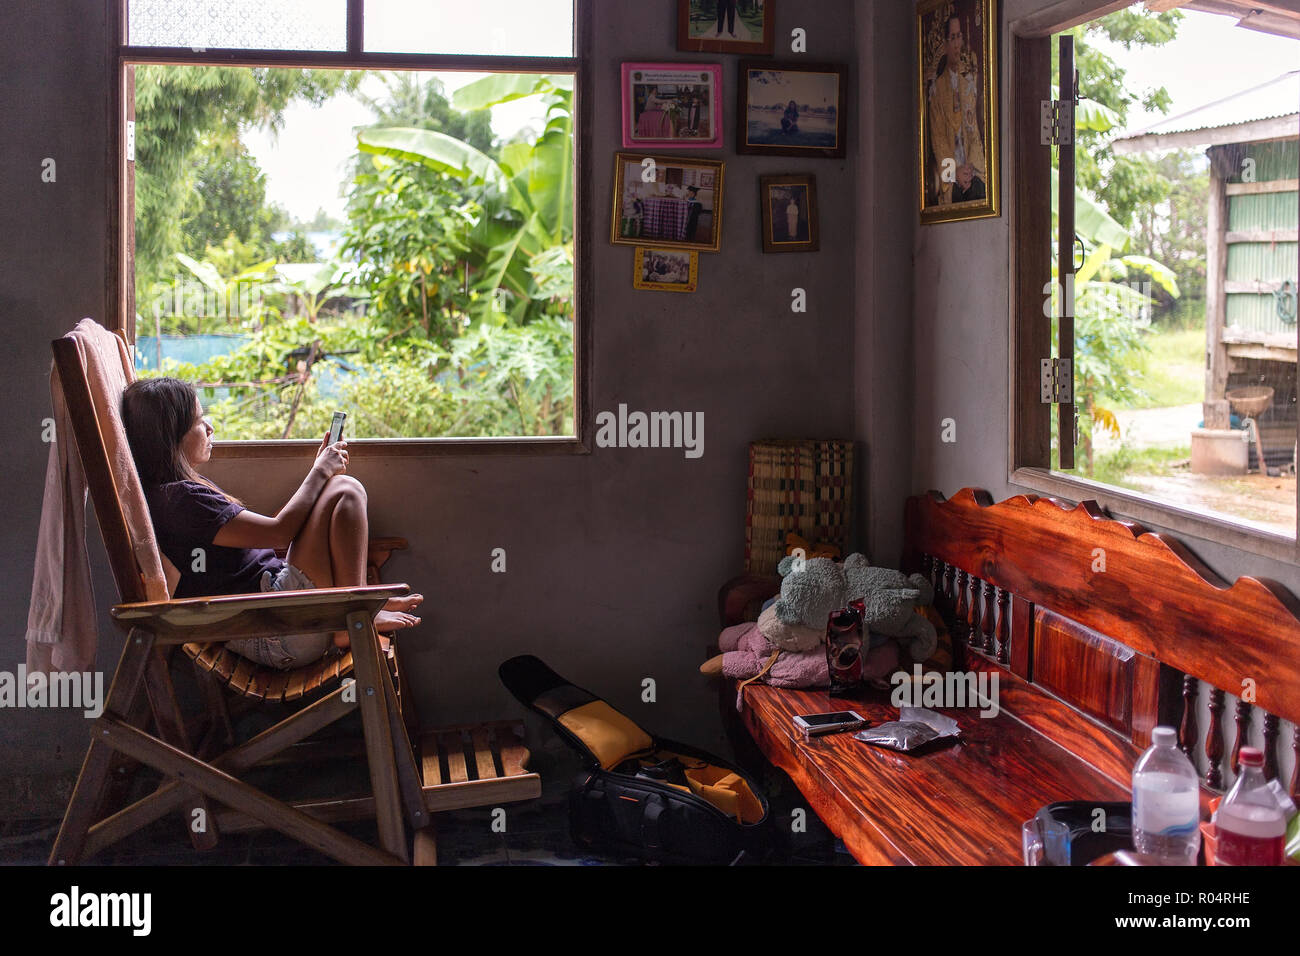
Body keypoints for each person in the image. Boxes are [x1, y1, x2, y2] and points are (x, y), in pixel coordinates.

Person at [121, 377, 422, 670]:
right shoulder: (183, 501)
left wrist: (319, 475)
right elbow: (280, 533)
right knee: (347, 490)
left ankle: (355, 612)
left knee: (337, 489)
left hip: (276, 610)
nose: (210, 427)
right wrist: (318, 472)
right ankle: (354, 617)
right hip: (275, 630)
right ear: (172, 436)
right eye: (199, 421)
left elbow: (271, 535)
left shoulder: (175, 495)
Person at [926, 13, 987, 205]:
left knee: (981, 192)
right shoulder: (937, 91)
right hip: (951, 176)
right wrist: (955, 172)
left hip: (972, 168)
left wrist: (972, 170)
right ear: (945, 43)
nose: (956, 43)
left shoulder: (968, 84)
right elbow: (939, 141)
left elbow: (974, 132)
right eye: (952, 38)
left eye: (959, 36)